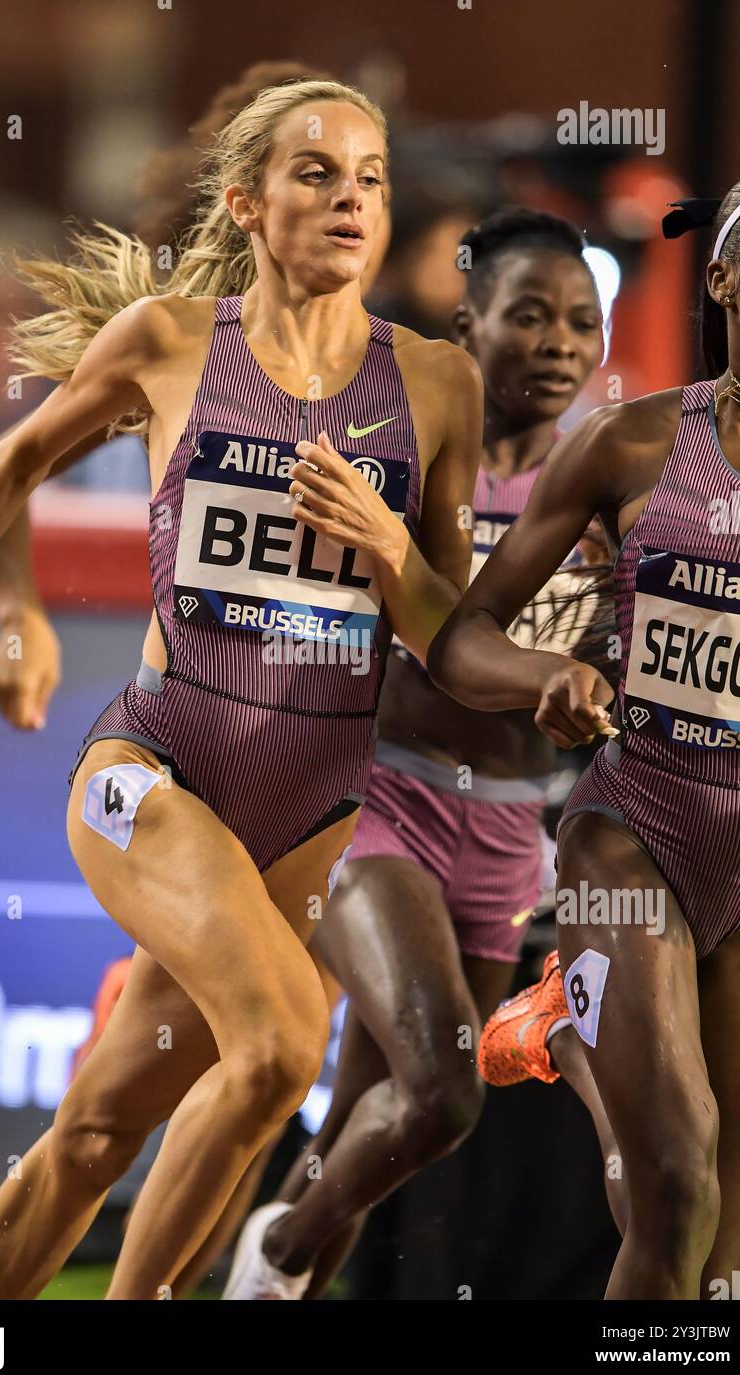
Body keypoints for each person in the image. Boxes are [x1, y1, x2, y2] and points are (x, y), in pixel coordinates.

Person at [0, 78, 481, 1300]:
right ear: (246, 202)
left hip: (310, 812)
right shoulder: (170, 341)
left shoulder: (438, 386)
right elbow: (13, 459)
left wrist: (391, 549)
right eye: (316, 173)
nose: (350, 198)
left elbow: (445, 637)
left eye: (370, 176)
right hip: (154, 767)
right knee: (283, 1041)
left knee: (96, 1130)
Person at [224, 207, 614, 1299]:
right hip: (378, 801)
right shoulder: (398, 454)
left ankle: (268, 1270)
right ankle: (280, 1252)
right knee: (444, 1086)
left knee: (372, 1119)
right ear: (465, 323)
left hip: (506, 831)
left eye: (583, 322)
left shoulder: (610, 485)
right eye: (528, 315)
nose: (558, 342)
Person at [426, 168, 740, 1300]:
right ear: (723, 278)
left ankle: (571, 1028)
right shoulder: (628, 447)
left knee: (722, 1262)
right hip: (636, 833)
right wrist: (547, 675)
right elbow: (460, 636)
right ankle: (583, 1008)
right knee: (676, 1187)